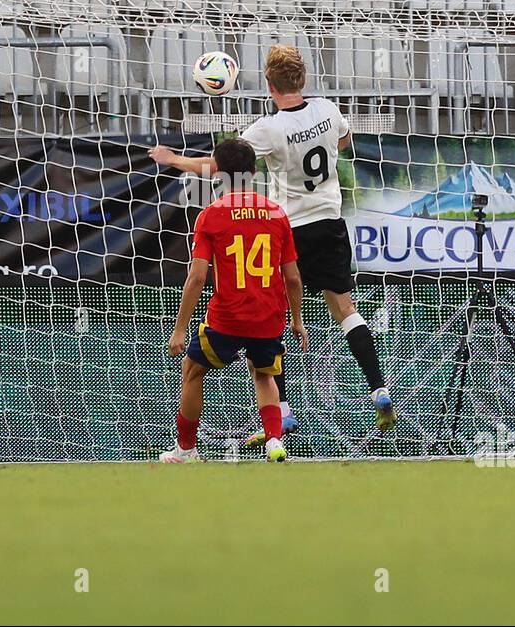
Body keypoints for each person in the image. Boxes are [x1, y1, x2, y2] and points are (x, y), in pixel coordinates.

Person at [150, 44, 393, 442]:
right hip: (330, 221)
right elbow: (343, 143)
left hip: (291, 227)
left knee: (271, 318)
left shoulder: (269, 128)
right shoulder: (328, 110)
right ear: (304, 79)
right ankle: (378, 388)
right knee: (346, 310)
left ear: (269, 85)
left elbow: (218, 166)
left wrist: (174, 159)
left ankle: (282, 413)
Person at [160, 138, 306, 463]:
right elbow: (293, 278)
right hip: (269, 317)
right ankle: (273, 442)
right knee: (265, 374)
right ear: (254, 173)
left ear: (219, 174)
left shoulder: (211, 216)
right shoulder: (277, 214)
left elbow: (197, 277)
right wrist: (296, 319)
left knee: (192, 370)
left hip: (227, 317)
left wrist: (180, 328)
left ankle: (186, 449)